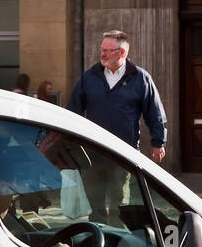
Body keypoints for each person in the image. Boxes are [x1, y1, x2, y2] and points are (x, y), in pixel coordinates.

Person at [68, 30, 167, 222]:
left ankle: (118, 243)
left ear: (122, 53)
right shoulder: (90, 77)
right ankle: (97, 244)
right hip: (92, 153)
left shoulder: (140, 78)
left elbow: (154, 113)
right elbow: (73, 111)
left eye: (107, 50)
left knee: (119, 205)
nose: (102, 53)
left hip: (123, 153)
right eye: (102, 49)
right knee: (94, 206)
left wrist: (158, 142)